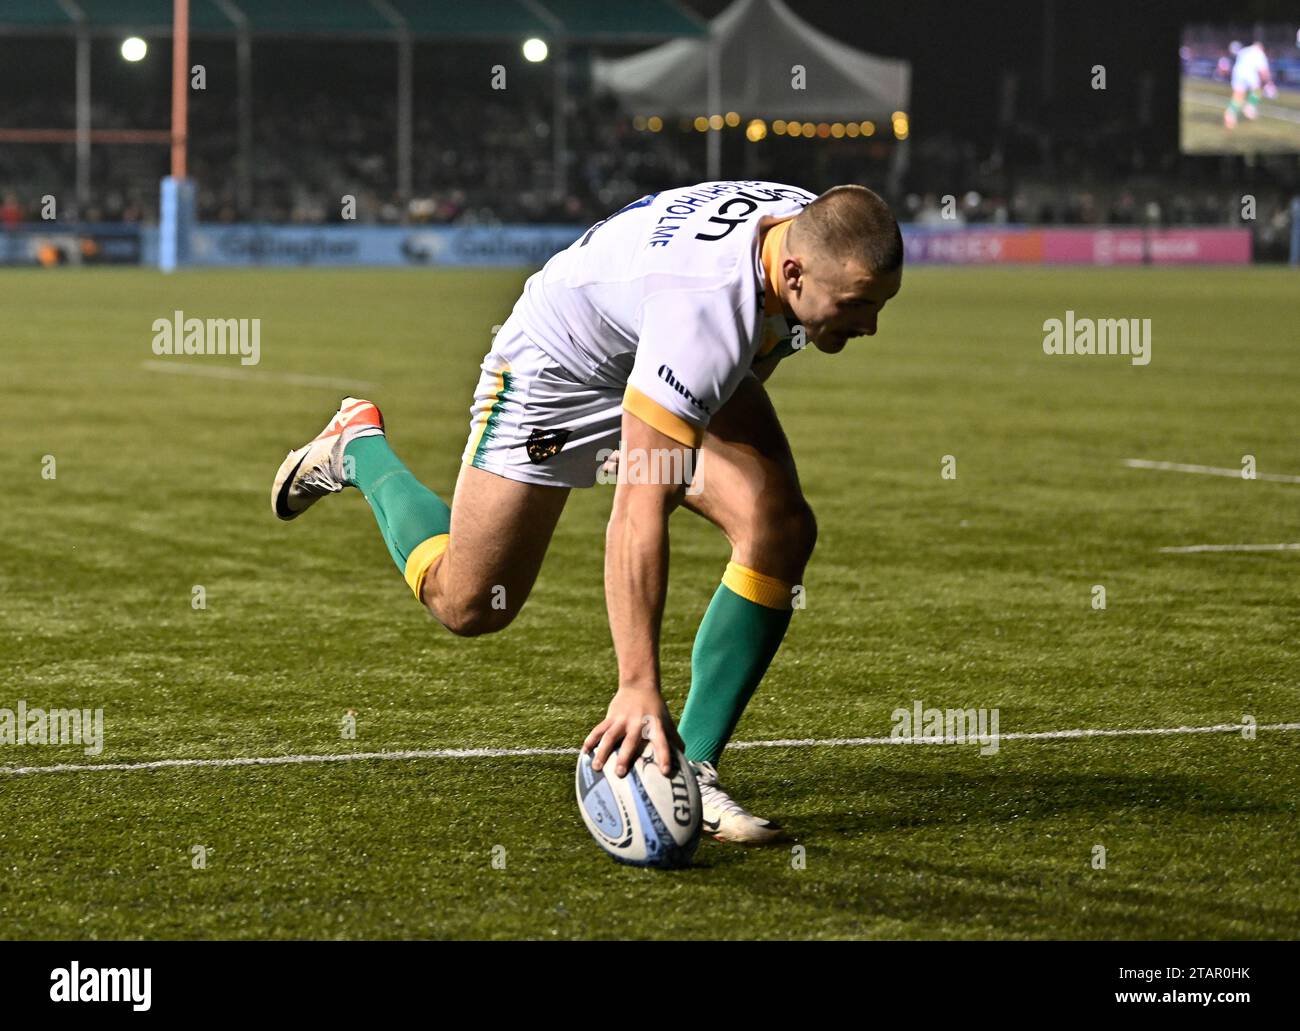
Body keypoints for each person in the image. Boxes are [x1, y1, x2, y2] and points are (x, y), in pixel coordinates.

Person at [271, 181, 903, 844]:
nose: (870, 326)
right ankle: (358, 448)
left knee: (779, 524)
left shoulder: (810, 230)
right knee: (470, 603)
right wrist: (635, 683)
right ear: (794, 272)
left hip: (654, 350)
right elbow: (638, 510)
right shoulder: (708, 313)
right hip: (562, 372)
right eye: (858, 306)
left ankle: (687, 765)